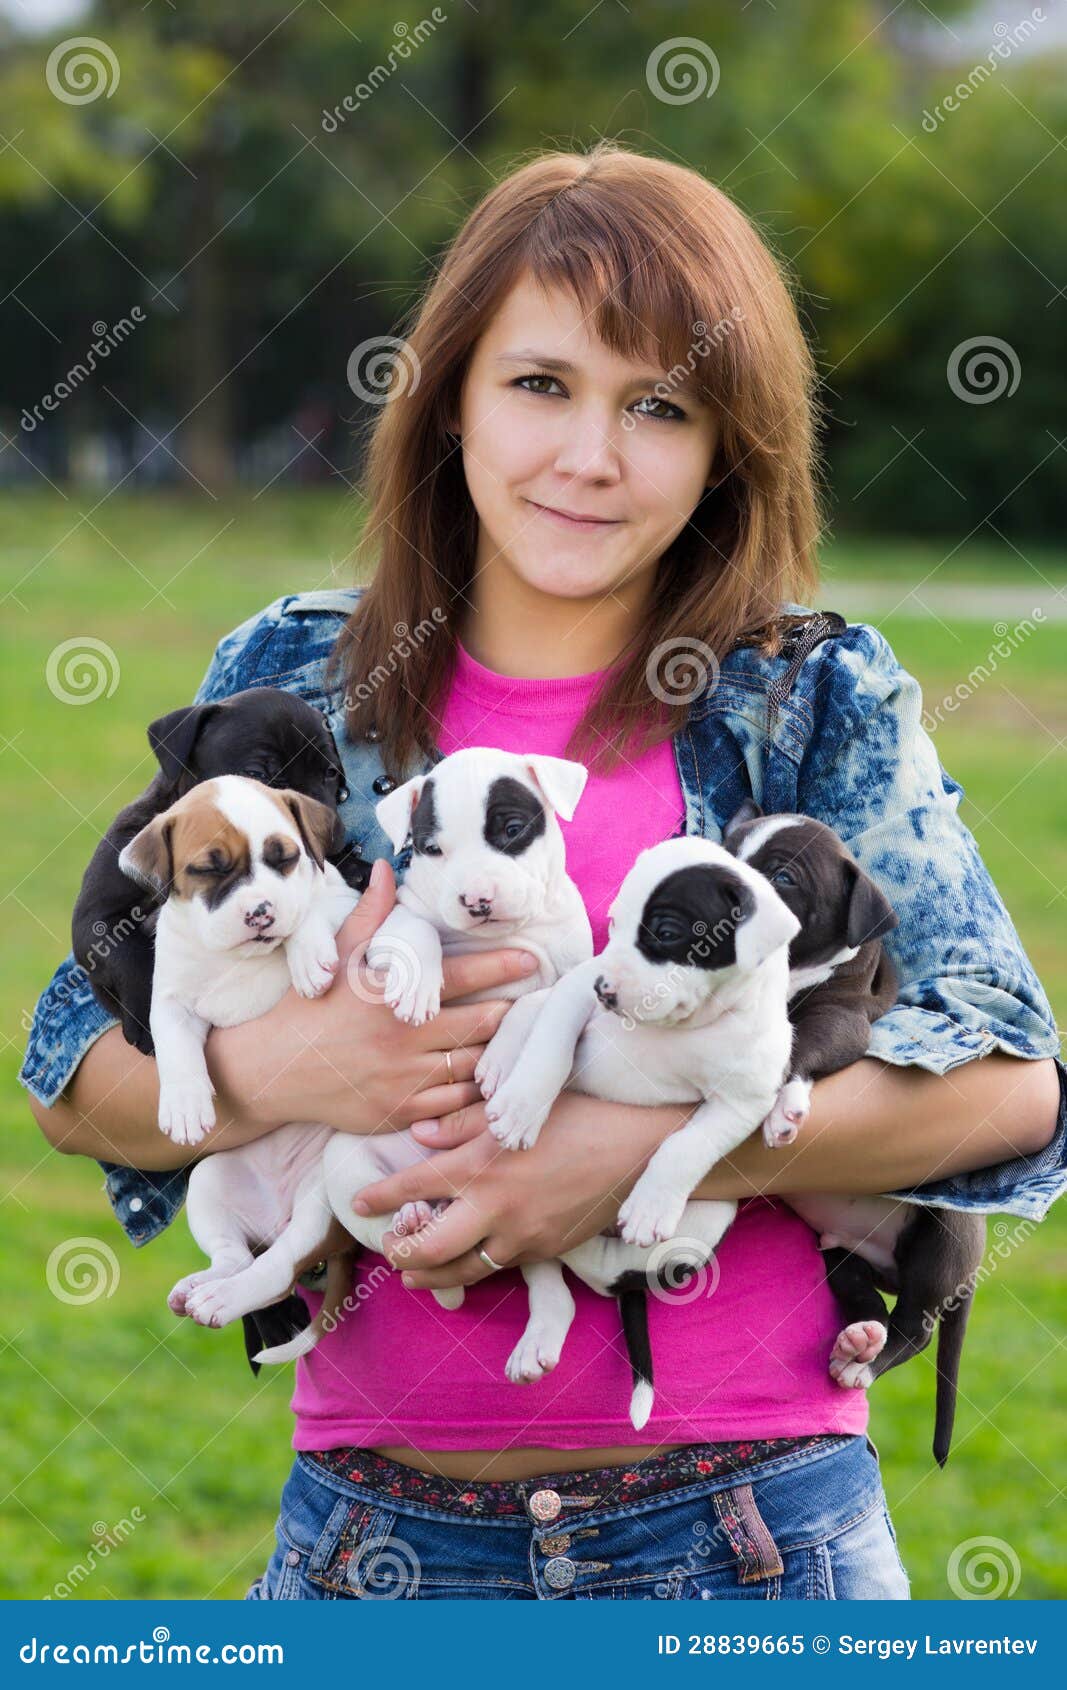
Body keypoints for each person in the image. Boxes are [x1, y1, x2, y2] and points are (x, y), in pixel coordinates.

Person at [24, 145, 1065, 1602]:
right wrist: (306, 1066)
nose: (590, 454)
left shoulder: (805, 695)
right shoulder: (294, 684)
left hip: (751, 1535)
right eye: (540, 385)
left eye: (659, 406)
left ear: (727, 447)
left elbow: (1016, 1082)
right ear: (447, 394)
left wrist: (635, 1146)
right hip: (368, 1544)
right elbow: (70, 1064)